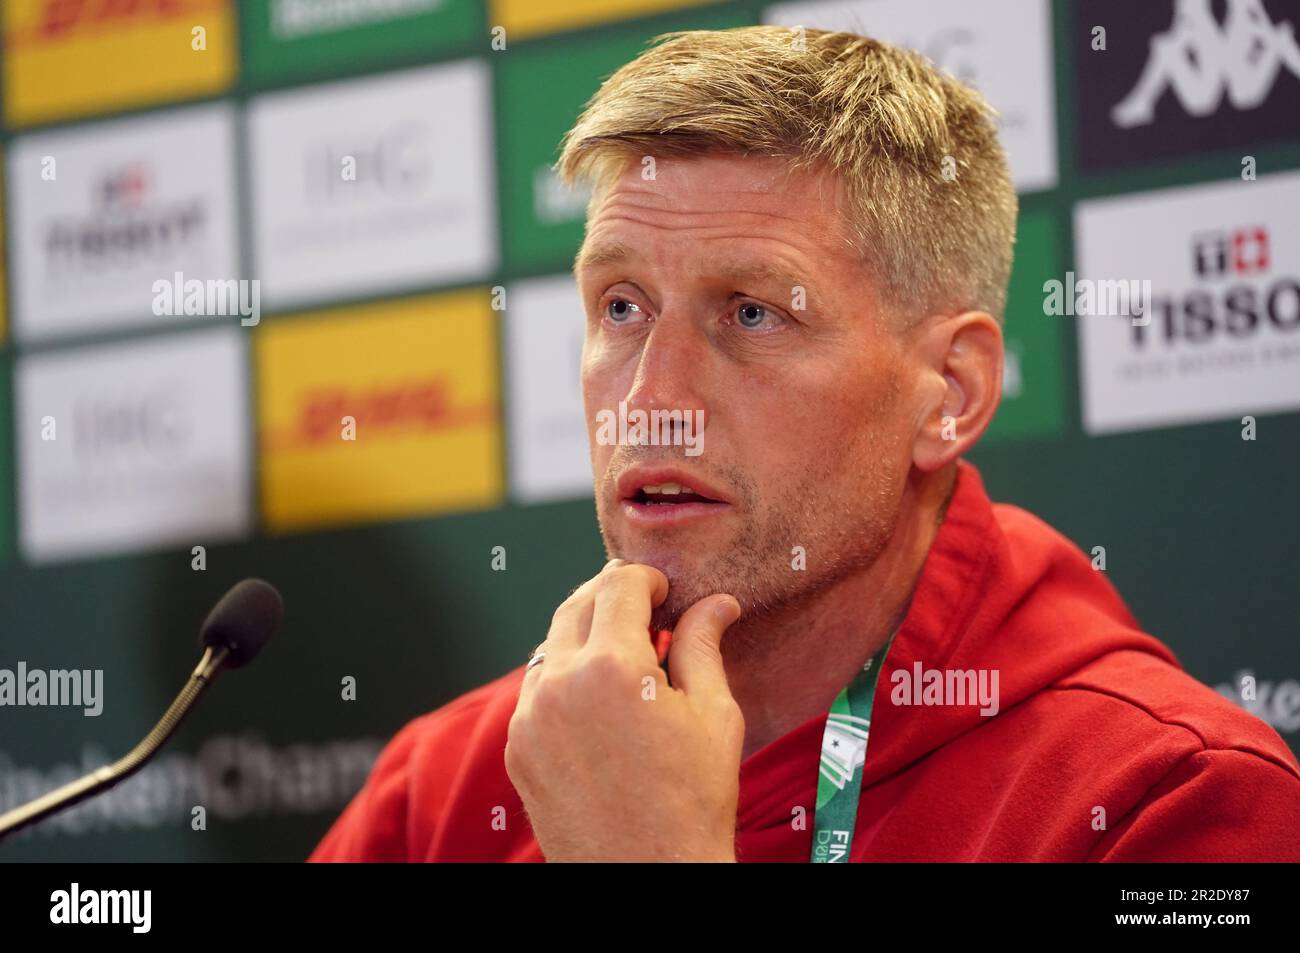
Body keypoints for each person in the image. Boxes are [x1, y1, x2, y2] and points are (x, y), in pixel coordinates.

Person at [309, 26, 1300, 862]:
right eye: (621, 306)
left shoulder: (1171, 805)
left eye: (750, 313)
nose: (652, 398)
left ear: (947, 393)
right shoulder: (444, 791)